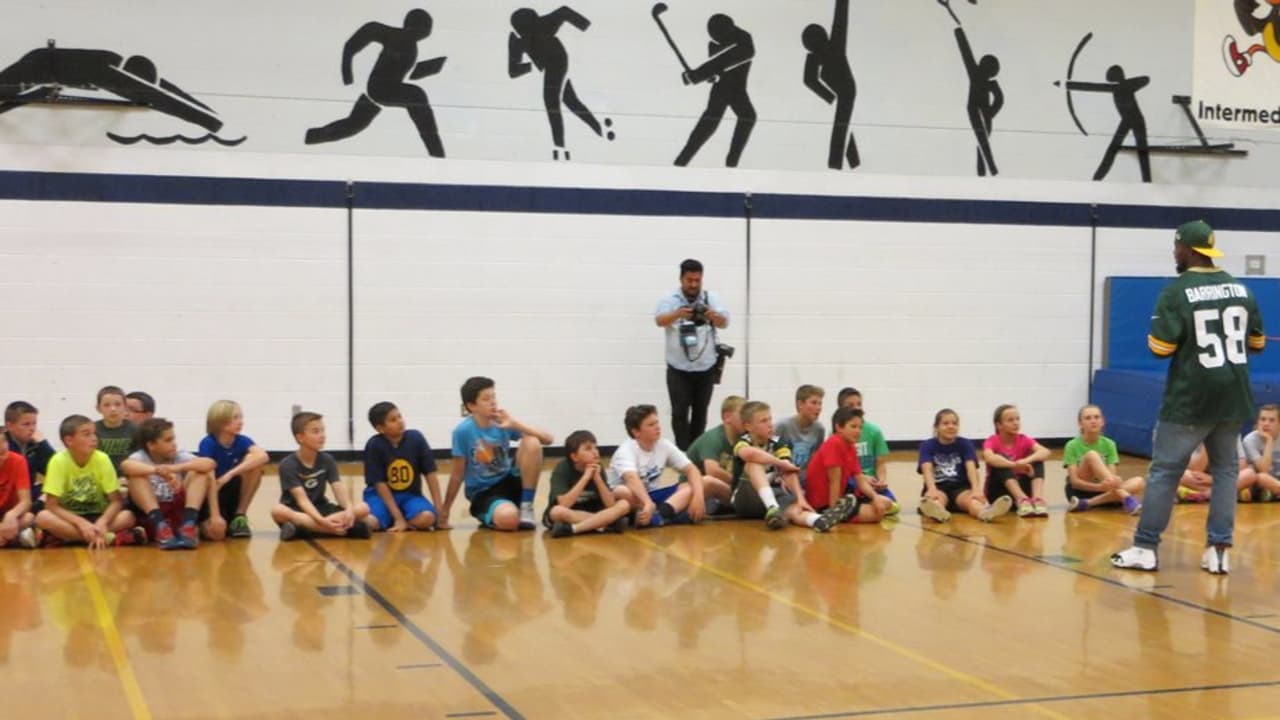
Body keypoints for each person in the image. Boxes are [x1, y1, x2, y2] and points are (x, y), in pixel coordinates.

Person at [1112, 220, 1265, 574]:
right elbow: (1256, 343)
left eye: (1177, 247)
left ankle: (1145, 547)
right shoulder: (1242, 290)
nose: (1174, 253)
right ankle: (1219, 549)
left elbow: (1160, 348)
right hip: (1233, 395)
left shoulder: (1176, 292)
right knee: (1226, 471)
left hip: (1191, 397)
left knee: (1165, 472)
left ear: (1190, 250)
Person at [304, 9, 447, 156]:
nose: (425, 33)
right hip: (380, 89)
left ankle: (311, 136)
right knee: (416, 96)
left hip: (382, 90)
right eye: (425, 29)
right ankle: (436, 151)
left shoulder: (409, 44)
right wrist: (347, 75)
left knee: (355, 124)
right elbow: (357, 40)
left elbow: (409, 72)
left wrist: (430, 68)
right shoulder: (395, 35)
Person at [442, 376, 553, 531]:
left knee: (532, 442)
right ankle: (495, 514)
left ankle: (526, 506)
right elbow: (457, 474)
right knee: (509, 519)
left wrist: (515, 423)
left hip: (508, 481)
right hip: (485, 492)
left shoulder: (502, 422)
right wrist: (445, 510)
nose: (493, 402)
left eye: (494, 397)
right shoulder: (463, 432)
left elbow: (548, 439)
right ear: (471, 406)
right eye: (486, 399)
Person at [508, 6, 607, 161]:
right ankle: (598, 128)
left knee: (552, 102)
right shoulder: (521, 40)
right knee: (570, 101)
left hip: (557, 61)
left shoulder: (539, 27)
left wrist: (588, 29)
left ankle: (560, 146)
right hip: (554, 62)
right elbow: (513, 71)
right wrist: (530, 65)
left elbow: (563, 11)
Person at [34, 415, 146, 548]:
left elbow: (116, 501)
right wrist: (81, 523)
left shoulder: (102, 459)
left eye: (94, 433)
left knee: (128, 516)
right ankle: (108, 538)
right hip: (70, 518)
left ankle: (67, 538)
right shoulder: (57, 461)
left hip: (99, 515)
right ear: (69, 440)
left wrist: (103, 522)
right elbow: (51, 506)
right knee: (43, 517)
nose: (94, 438)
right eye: (86, 434)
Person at [655, 258, 730, 449]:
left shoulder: (710, 298)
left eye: (698, 280)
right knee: (679, 413)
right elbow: (659, 320)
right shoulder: (670, 299)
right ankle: (682, 453)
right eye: (689, 280)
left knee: (700, 413)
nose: (694, 284)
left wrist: (713, 315)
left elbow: (725, 322)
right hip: (678, 368)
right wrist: (678, 314)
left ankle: (696, 452)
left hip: (705, 367)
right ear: (681, 279)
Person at [730, 401, 833, 531]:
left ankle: (818, 520)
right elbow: (749, 454)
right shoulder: (743, 440)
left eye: (770, 419)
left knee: (794, 508)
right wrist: (779, 463)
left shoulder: (776, 440)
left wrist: (800, 499)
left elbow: (788, 468)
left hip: (771, 496)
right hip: (745, 499)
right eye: (763, 421)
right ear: (748, 426)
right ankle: (772, 507)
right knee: (754, 463)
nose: (770, 424)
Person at [271, 412, 373, 541]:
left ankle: (302, 530)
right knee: (278, 511)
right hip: (298, 510)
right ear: (300, 438)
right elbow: (302, 501)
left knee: (364, 508)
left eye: (323, 431)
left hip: (322, 508)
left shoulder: (327, 460)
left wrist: (348, 509)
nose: (322, 435)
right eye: (316, 431)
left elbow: (338, 489)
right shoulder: (288, 464)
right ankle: (332, 530)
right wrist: (322, 522)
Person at [674, 14, 756, 167]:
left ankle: (730, 162)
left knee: (742, 117)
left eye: (718, 36)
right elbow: (720, 62)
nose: (717, 40)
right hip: (726, 88)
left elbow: (728, 59)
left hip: (733, 88)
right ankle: (683, 161)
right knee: (711, 123)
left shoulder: (743, 39)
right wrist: (702, 75)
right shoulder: (731, 39)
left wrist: (697, 75)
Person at [120, 417, 215, 549]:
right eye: (168, 440)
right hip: (152, 516)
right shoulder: (141, 457)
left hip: (177, 513)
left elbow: (210, 463)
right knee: (136, 477)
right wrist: (157, 471)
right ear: (151, 445)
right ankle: (161, 528)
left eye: (173, 439)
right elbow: (125, 466)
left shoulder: (178, 455)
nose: (174, 444)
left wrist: (174, 469)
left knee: (200, 473)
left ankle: (188, 526)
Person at [608, 404, 707, 527]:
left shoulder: (663, 445)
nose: (657, 427)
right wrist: (647, 503)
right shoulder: (625, 451)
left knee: (698, 484)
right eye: (651, 425)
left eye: (657, 422)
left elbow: (691, 469)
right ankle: (660, 513)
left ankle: (659, 516)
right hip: (632, 498)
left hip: (652, 496)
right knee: (622, 491)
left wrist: (698, 496)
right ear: (636, 432)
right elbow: (631, 479)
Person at [918, 409, 1012, 524]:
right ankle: (938, 513)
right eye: (945, 423)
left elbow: (971, 468)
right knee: (936, 501)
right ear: (936, 427)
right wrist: (932, 489)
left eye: (954, 423)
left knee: (973, 502)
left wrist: (976, 490)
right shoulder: (927, 445)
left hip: (961, 488)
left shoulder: (965, 444)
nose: (951, 426)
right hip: (938, 487)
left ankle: (985, 513)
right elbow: (927, 469)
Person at [362, 401, 442, 532]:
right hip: (380, 497)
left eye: (400, 416)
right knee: (370, 523)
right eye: (393, 420)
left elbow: (430, 474)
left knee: (427, 518)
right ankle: (393, 518)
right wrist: (398, 517)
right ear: (380, 428)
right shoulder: (374, 445)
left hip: (410, 496)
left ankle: (397, 520)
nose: (400, 421)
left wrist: (439, 510)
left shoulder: (416, 439)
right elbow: (380, 484)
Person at [805, 406, 891, 526]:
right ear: (839, 427)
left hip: (842, 497)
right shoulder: (834, 443)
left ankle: (850, 507)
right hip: (823, 503)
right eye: (853, 426)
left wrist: (875, 497)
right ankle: (832, 514)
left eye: (860, 427)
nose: (858, 431)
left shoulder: (851, 446)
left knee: (886, 502)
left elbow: (860, 479)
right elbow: (834, 481)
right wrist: (833, 511)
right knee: (876, 514)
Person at [197, 400, 269, 539]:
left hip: (231, 490)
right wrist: (215, 515)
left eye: (241, 417)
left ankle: (239, 516)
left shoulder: (242, 440)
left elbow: (263, 456)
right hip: (212, 494)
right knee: (216, 534)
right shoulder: (208, 443)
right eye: (235, 418)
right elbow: (209, 477)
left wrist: (229, 474)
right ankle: (202, 523)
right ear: (220, 421)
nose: (241, 422)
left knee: (255, 464)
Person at [545, 430, 630, 537]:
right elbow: (564, 504)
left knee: (624, 504)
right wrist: (585, 477)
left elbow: (610, 504)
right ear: (574, 457)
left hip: (594, 511)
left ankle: (573, 529)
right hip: (573, 512)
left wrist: (598, 479)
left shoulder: (598, 467)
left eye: (596, 447)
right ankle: (606, 523)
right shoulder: (562, 468)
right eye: (588, 449)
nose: (595, 452)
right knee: (557, 512)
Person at [1063, 404, 1145, 513]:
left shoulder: (1109, 444)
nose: (1093, 421)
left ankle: (1088, 503)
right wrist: (1101, 487)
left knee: (1139, 481)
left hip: (1105, 491)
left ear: (1102, 422)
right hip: (1080, 491)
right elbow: (1074, 482)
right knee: (1092, 455)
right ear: (1080, 424)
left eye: (1097, 417)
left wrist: (1114, 482)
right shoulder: (1072, 445)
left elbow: (1111, 477)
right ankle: (1125, 497)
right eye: (1088, 418)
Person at [836, 387, 898, 514]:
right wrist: (862, 478)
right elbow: (839, 470)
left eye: (859, 404)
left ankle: (866, 505)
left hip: (872, 483)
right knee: (857, 490)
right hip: (851, 480)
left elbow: (880, 463)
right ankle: (863, 505)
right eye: (850, 405)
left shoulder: (874, 431)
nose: (856, 408)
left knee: (893, 505)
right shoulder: (837, 434)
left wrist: (881, 480)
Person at [981, 404, 1051, 517]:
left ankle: (1037, 500)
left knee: (1037, 458)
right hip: (999, 492)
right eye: (1010, 420)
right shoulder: (992, 441)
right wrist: (1014, 465)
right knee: (999, 459)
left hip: (1023, 487)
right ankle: (1021, 499)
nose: (1016, 423)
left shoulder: (1024, 439)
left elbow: (1045, 452)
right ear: (999, 425)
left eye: (1017, 419)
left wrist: (1026, 460)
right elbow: (989, 457)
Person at [4, 401, 55, 511]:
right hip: (7, 493)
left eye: (34, 424)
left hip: (28, 492)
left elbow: (56, 469)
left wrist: (43, 443)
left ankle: (32, 512)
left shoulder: (36, 444)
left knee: (57, 490)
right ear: (9, 426)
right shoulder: (3, 444)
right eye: (26, 424)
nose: (32, 428)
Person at [775, 384, 826, 472]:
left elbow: (816, 458)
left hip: (806, 476)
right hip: (783, 475)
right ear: (800, 404)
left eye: (820, 403)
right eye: (814, 403)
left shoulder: (819, 429)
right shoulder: (782, 426)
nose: (818, 408)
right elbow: (771, 451)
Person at [94, 385, 136, 475]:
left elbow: (139, 459)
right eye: (106, 405)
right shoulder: (92, 430)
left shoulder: (136, 430)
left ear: (125, 407)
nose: (113, 409)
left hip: (128, 476)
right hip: (101, 475)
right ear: (98, 408)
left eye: (118, 404)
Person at [0, 436, 33, 548]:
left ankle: (6, 537)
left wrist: (11, 514)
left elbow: (26, 501)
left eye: (4, 441)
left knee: (28, 517)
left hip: (8, 517)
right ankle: (11, 538)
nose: (2, 446)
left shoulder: (18, 461)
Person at [1242, 404, 1280, 501]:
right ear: (1257, 422)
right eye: (1263, 419)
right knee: (1261, 477)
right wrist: (1269, 440)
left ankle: (1272, 493)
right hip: (1261, 482)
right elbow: (1264, 469)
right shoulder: (1250, 440)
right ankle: (1271, 493)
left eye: (1272, 420)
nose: (1266, 423)